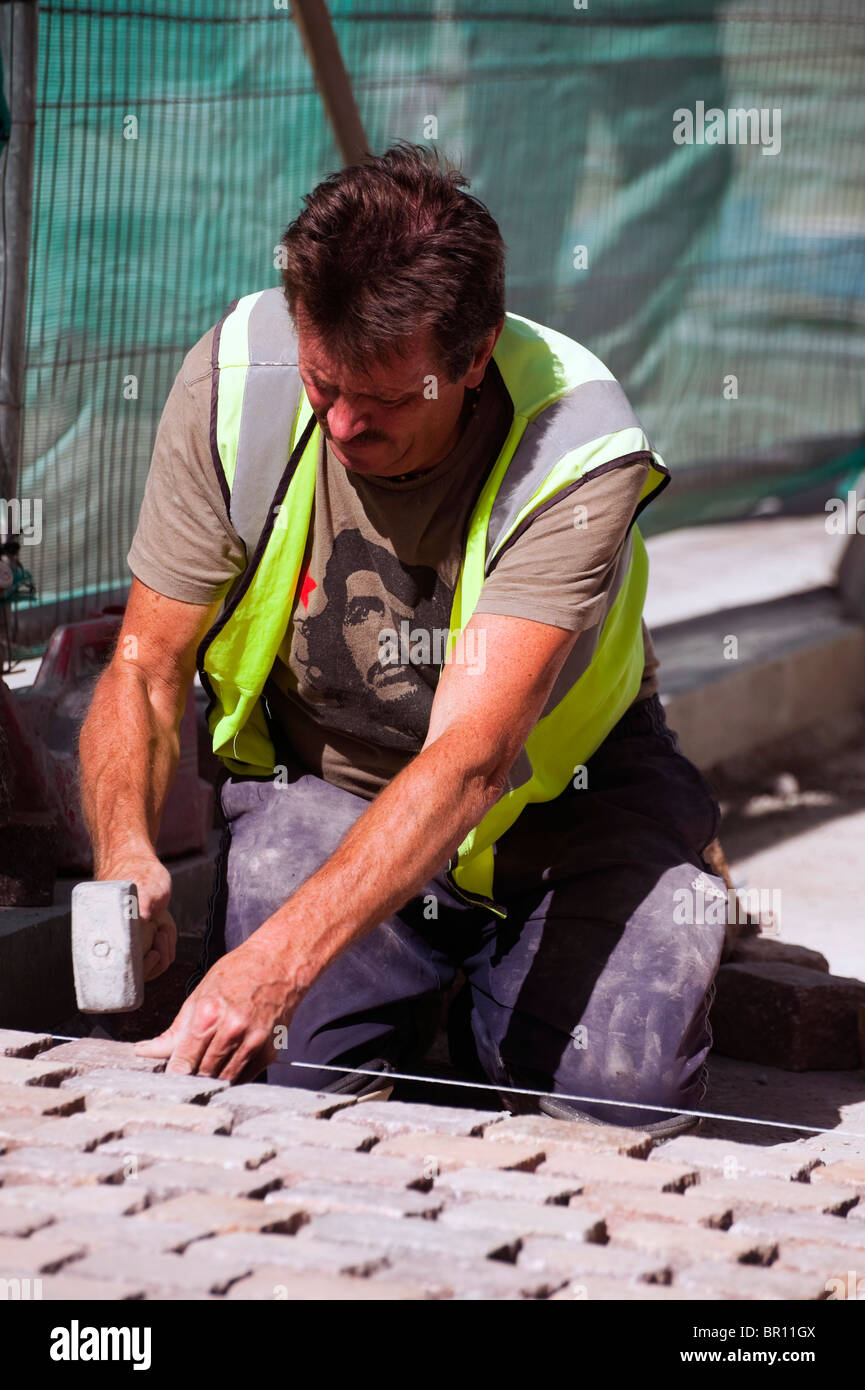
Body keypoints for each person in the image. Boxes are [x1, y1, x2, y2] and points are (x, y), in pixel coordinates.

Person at [79, 142, 726, 1134]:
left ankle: (495, 998)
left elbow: (472, 763)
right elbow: (143, 664)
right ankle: (418, 986)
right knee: (272, 1092)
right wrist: (125, 846)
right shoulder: (238, 382)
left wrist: (275, 965)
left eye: (378, 405)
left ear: (472, 359)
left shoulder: (575, 443)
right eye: (319, 385)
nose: (338, 427)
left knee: (612, 1104)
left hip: (559, 816)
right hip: (331, 796)